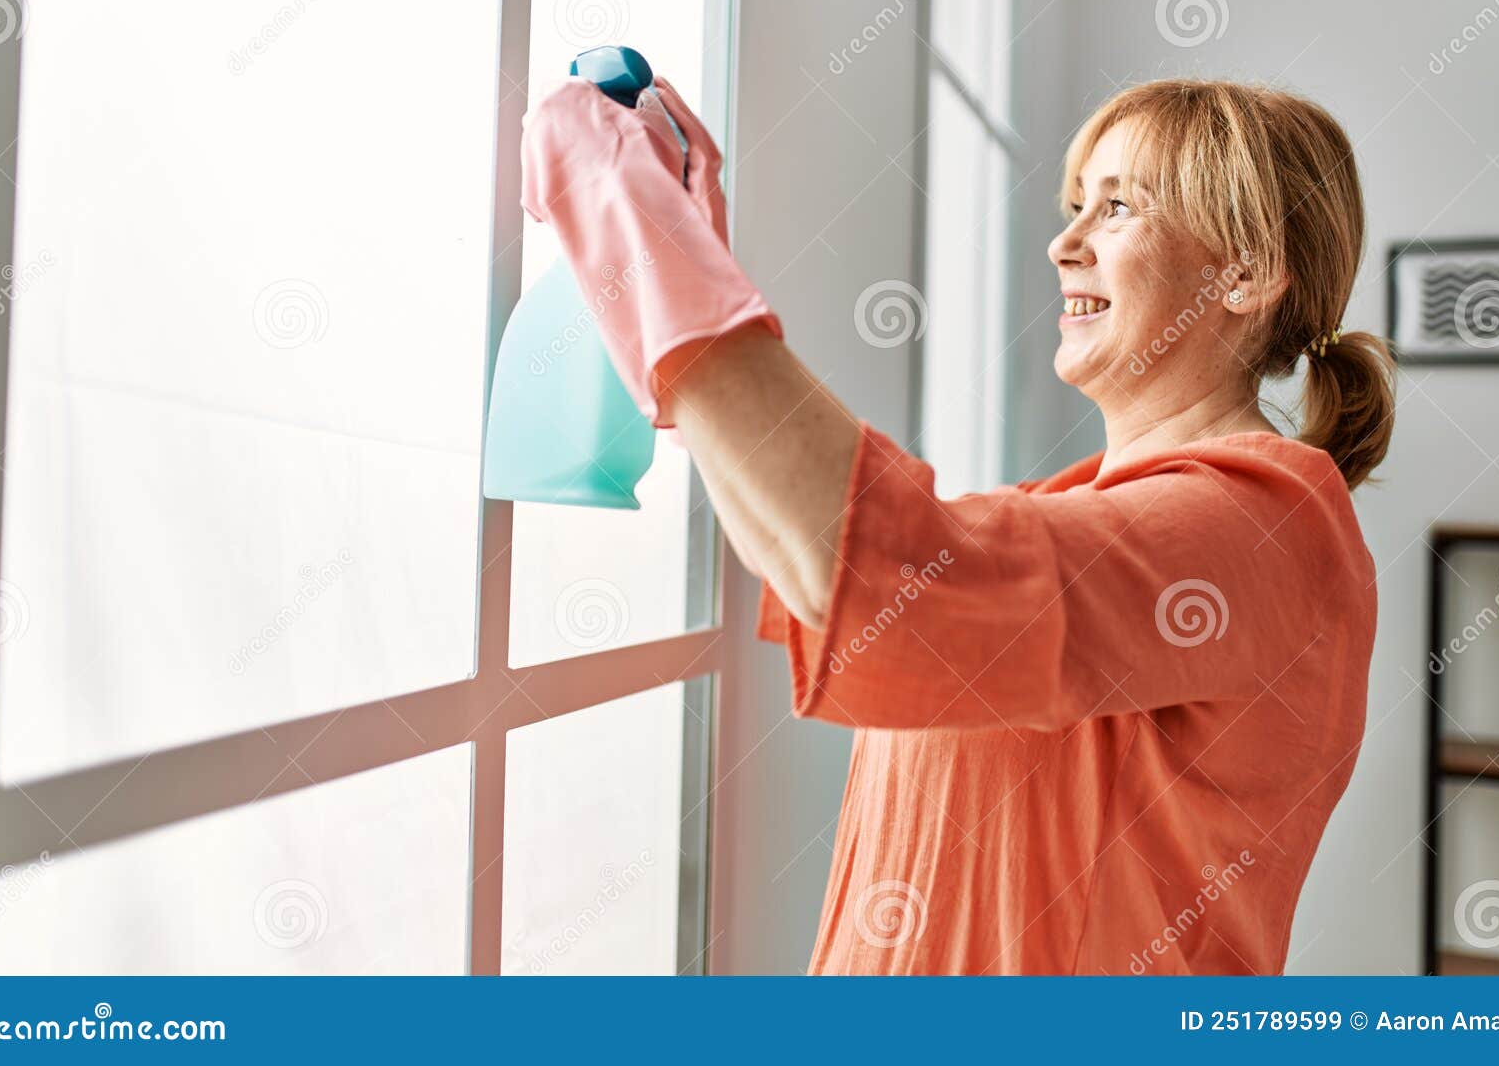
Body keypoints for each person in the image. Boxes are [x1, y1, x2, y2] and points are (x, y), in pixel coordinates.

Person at [519, 74, 1397, 974]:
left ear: (1243, 274)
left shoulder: (1258, 527)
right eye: (1074, 205)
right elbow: (816, 555)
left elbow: (882, 569)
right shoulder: (1070, 502)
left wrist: (643, 233)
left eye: (1119, 206)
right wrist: (664, 266)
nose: (1064, 243)